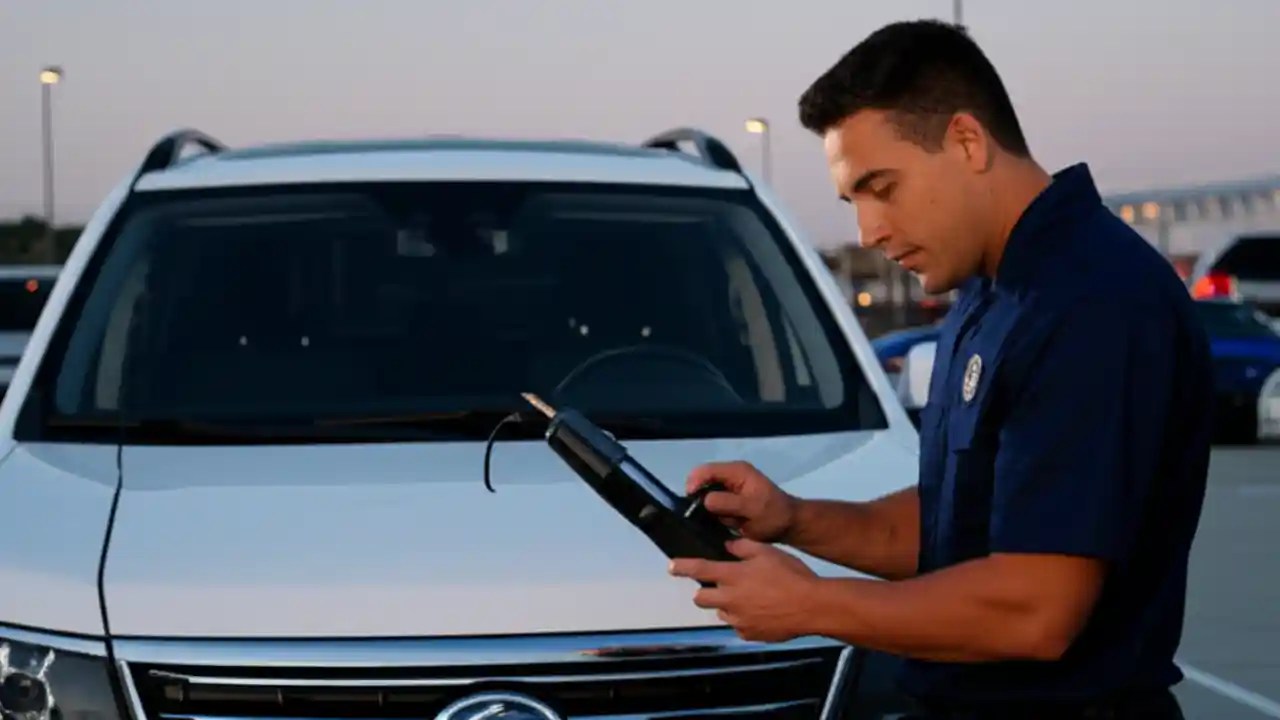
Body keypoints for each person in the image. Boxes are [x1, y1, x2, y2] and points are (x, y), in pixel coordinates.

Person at [668, 18, 1212, 719]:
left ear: (965, 141)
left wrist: (813, 604)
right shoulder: (989, 292)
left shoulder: (1092, 302)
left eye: (882, 187)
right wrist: (794, 518)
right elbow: (954, 526)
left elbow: (1035, 610)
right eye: (852, 200)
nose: (868, 231)